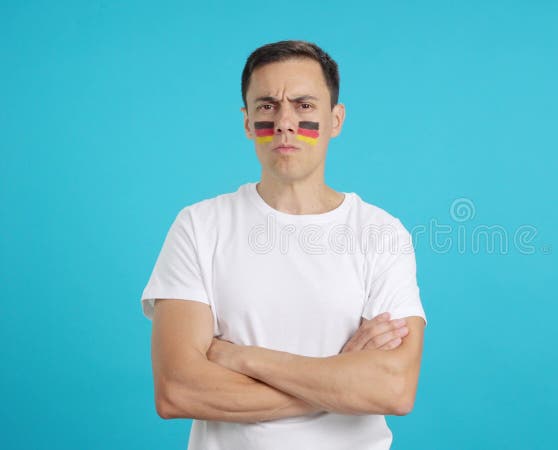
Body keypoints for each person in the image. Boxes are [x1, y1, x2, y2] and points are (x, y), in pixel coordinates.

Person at [140, 40, 428, 450]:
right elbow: (177, 391)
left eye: (304, 105)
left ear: (336, 119)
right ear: (246, 121)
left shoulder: (382, 233)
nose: (284, 123)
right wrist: (341, 382)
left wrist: (242, 358)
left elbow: (394, 388)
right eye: (267, 106)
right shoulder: (199, 227)